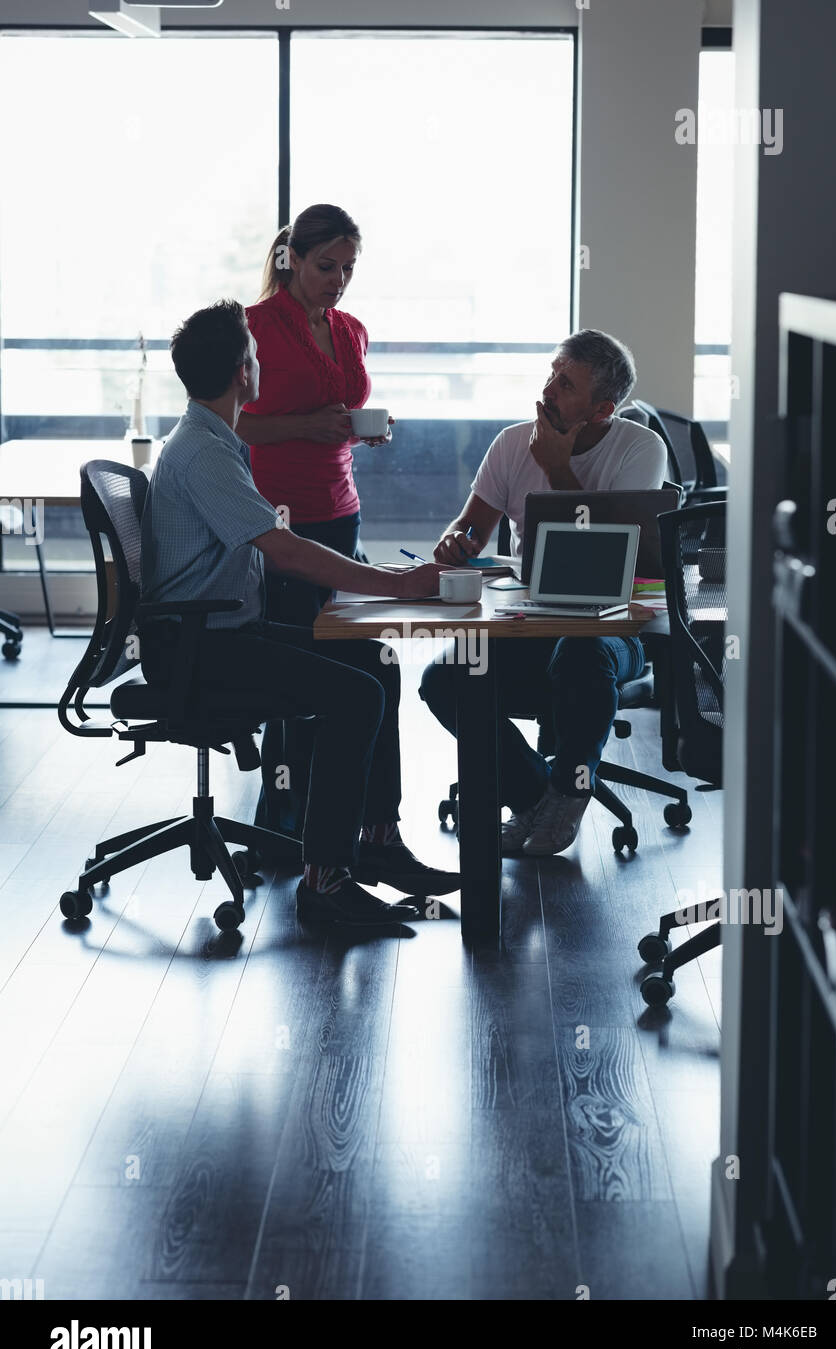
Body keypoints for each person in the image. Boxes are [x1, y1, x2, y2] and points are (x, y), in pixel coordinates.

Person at [139, 298, 460, 929]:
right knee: (355, 696)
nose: (259, 362)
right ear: (244, 373)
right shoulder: (204, 452)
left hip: (221, 633)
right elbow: (284, 551)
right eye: (254, 354)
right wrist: (394, 589)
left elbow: (277, 549)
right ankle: (326, 882)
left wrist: (384, 579)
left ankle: (376, 842)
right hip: (199, 650)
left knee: (375, 661)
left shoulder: (212, 438)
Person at [419, 329, 667, 858]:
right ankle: (537, 795)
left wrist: (557, 466)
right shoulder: (512, 443)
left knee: (580, 653)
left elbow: (605, 552)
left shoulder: (640, 448)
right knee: (443, 678)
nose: (549, 389)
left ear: (602, 409)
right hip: (531, 623)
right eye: (553, 374)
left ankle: (569, 793)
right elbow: (468, 528)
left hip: (615, 628)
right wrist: (454, 544)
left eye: (566, 384)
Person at [235, 205, 389, 835]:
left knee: (341, 658)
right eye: (326, 266)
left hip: (339, 508)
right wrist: (306, 426)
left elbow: (343, 413)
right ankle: (283, 818)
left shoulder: (351, 329)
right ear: (292, 258)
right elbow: (232, 423)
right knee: (294, 666)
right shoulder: (253, 326)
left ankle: (335, 819)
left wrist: (362, 431)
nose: (338, 279)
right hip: (277, 513)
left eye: (349, 268)